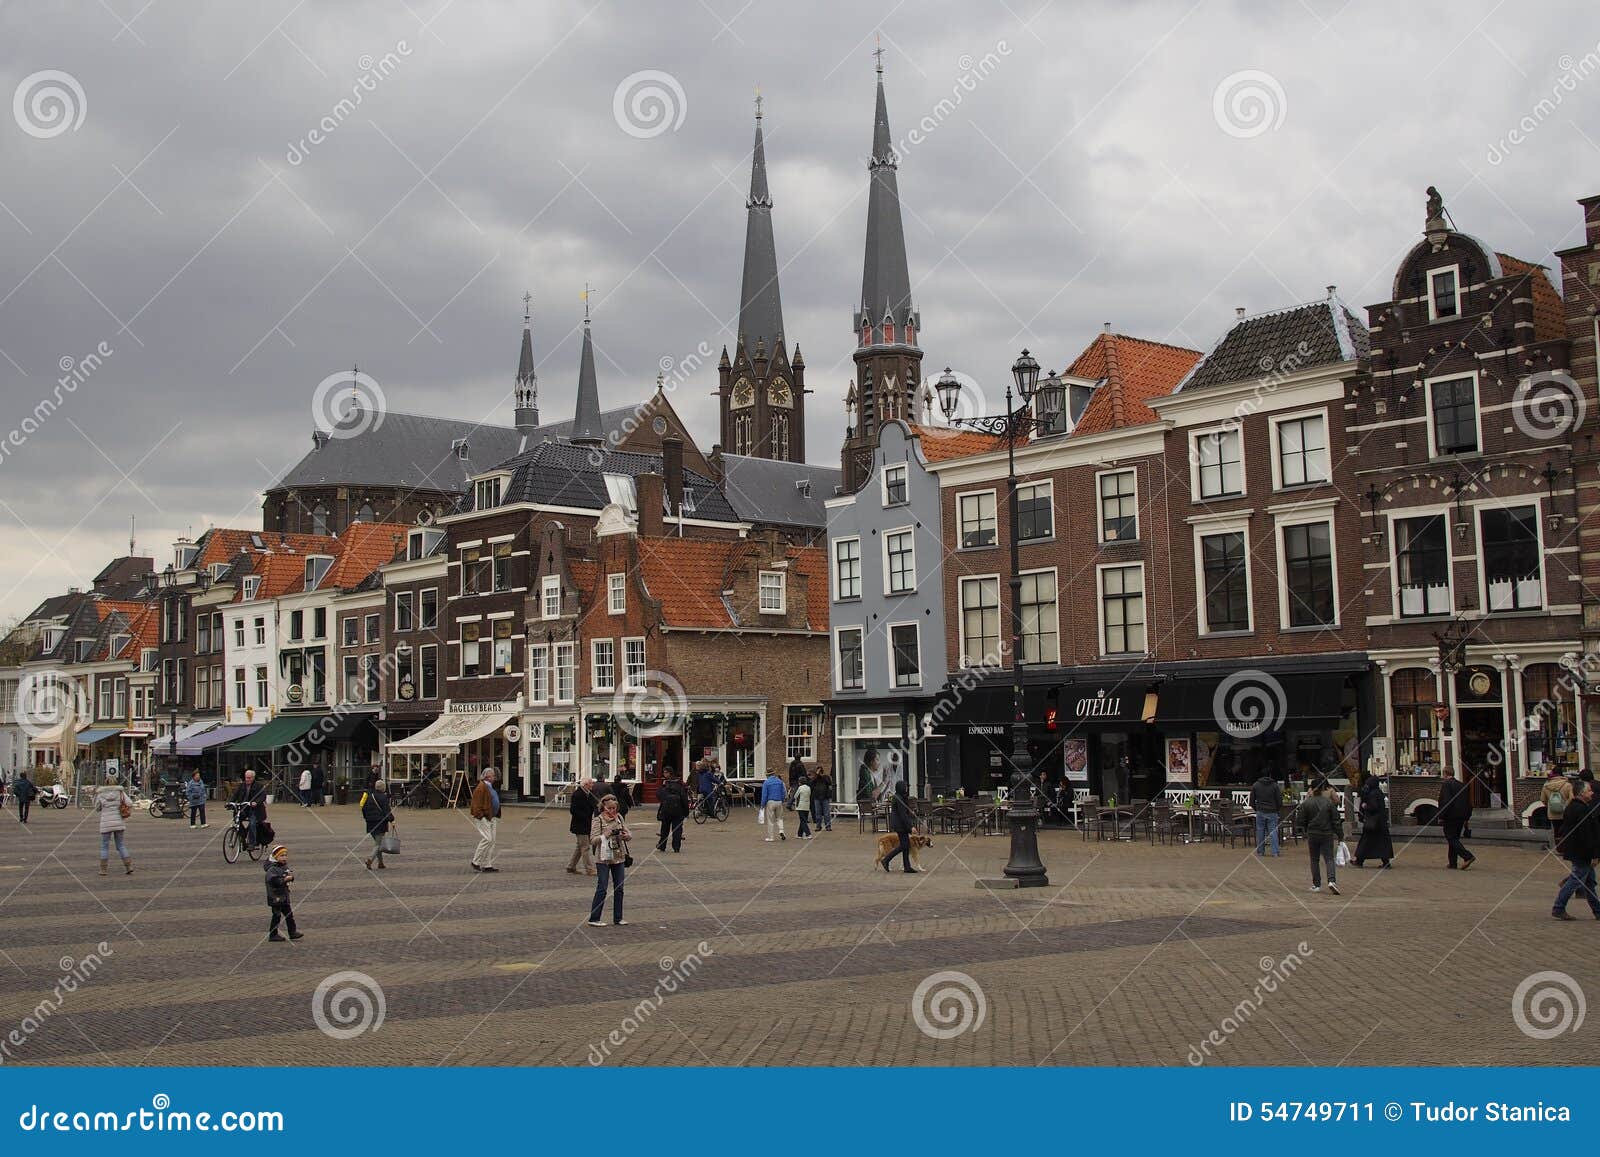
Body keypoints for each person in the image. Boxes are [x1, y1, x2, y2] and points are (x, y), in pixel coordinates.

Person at [1552, 779, 1600, 921]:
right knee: (1576, 880)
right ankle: (1558, 907)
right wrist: (1593, 854)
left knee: (1589, 882)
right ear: (1581, 793)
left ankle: (1597, 910)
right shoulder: (1581, 809)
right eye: (1589, 791)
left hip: (1577, 850)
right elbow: (1586, 835)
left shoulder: (1574, 807)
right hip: (1581, 852)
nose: (1592, 793)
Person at [1292, 780, 1341, 895]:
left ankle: (1316, 884)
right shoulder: (1328, 802)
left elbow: (1300, 820)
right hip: (1327, 832)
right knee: (1329, 858)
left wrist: (1304, 829)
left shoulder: (1307, 803)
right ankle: (1331, 880)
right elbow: (1336, 819)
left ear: (1312, 789)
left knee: (1314, 859)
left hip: (1313, 833)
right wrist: (1340, 835)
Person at [588, 794, 630, 927]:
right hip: (603, 858)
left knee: (619, 888)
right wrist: (604, 835)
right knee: (602, 888)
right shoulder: (597, 820)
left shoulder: (619, 818)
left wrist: (626, 836)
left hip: (618, 857)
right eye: (610, 808)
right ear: (604, 808)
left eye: (615, 808)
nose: (613, 811)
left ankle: (618, 918)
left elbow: (628, 833)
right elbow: (593, 840)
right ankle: (594, 918)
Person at [94, 771, 134, 877]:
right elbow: (130, 803)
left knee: (104, 846)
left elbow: (97, 808)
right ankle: (128, 866)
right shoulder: (120, 792)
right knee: (120, 845)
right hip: (119, 822)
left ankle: (103, 869)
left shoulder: (101, 793)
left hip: (105, 823)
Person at [1352, 774, 1394, 869]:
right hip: (1380, 822)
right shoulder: (1379, 792)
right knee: (1381, 843)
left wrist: (1365, 806)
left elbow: (1373, 806)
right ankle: (1385, 862)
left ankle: (1359, 860)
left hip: (1373, 823)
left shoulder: (1372, 794)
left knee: (1366, 841)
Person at [1437, 767, 1475, 870]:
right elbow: (1468, 803)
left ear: (1445, 774)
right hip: (1461, 817)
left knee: (1451, 838)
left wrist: (1441, 815)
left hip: (1450, 816)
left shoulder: (1446, 785)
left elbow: (1445, 802)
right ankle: (1452, 862)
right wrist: (1467, 817)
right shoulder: (1462, 785)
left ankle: (1468, 856)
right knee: (1454, 838)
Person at [264, 844, 302, 941]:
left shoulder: (283, 866)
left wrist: (291, 877)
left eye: (285, 855)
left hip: (284, 896)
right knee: (276, 916)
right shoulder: (272, 869)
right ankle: (273, 935)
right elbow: (274, 881)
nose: (284, 857)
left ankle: (292, 932)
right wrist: (284, 879)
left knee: (289, 915)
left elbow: (287, 876)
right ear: (276, 857)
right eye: (282, 855)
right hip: (276, 897)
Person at [469, 767, 501, 873]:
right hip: (484, 817)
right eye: (493, 775)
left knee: (492, 841)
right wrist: (481, 816)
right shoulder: (481, 788)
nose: (494, 777)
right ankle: (475, 861)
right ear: (488, 777)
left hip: (492, 817)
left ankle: (488, 864)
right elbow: (476, 804)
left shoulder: (489, 787)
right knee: (487, 839)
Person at [360, 778, 394, 870]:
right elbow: (387, 811)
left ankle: (381, 863)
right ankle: (370, 860)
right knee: (378, 844)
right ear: (383, 788)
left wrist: (366, 818)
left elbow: (363, 808)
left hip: (370, 823)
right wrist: (392, 820)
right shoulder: (383, 797)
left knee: (378, 842)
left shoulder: (369, 796)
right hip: (380, 823)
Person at [885, 780, 919, 873]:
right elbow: (902, 815)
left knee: (906, 845)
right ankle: (886, 860)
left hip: (901, 824)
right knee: (904, 845)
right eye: (905, 787)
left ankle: (907, 866)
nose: (907, 788)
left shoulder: (900, 797)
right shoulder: (899, 798)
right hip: (900, 825)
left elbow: (904, 812)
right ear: (901, 788)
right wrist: (911, 827)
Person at [567, 777, 598, 875]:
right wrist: (585, 816)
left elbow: (592, 805)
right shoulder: (577, 794)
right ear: (585, 785)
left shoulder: (588, 794)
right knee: (585, 847)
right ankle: (589, 869)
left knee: (579, 847)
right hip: (580, 825)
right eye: (591, 784)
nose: (592, 785)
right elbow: (573, 810)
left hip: (586, 824)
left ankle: (571, 866)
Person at [232, 769, 269, 850]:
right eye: (246, 778)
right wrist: (230, 803)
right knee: (236, 819)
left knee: (252, 823)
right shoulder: (242, 785)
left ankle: (252, 843)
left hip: (254, 810)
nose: (247, 779)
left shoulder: (258, 786)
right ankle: (243, 834)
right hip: (243, 809)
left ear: (253, 778)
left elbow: (263, 796)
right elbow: (235, 795)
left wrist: (256, 802)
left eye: (249, 778)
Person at [1249, 770, 1282, 857]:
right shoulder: (1275, 785)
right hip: (1272, 811)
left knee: (1260, 832)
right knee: (1273, 831)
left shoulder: (1256, 785)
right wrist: (1277, 809)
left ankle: (1260, 851)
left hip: (1260, 811)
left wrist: (1257, 809)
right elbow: (1279, 801)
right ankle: (1275, 852)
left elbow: (1251, 801)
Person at [655, 772, 688, 852]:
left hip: (666, 811)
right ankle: (676, 847)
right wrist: (686, 812)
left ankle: (662, 846)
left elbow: (659, 795)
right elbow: (684, 800)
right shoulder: (680, 787)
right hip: (678, 811)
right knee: (677, 829)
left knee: (665, 829)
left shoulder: (665, 786)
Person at [1541, 769, 1573, 848]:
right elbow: (1572, 798)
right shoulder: (1567, 785)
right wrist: (1566, 805)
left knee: (1556, 830)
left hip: (1553, 813)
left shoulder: (1546, 785)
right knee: (1566, 829)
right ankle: (1566, 847)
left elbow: (1543, 799)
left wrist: (1550, 806)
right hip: (1565, 812)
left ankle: (1559, 847)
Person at [760, 767, 787, 841]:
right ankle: (781, 831)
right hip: (779, 801)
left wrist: (762, 804)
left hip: (770, 802)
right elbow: (784, 792)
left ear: (767, 775)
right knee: (779, 818)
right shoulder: (780, 781)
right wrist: (782, 799)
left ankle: (771, 837)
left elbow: (764, 795)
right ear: (774, 773)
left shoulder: (766, 782)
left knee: (770, 820)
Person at [812, 766, 833, 832]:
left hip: (825, 798)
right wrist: (817, 775)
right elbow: (812, 783)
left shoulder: (826, 777)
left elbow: (829, 782)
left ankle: (828, 826)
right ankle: (818, 826)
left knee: (826, 813)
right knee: (818, 813)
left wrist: (821, 775)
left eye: (820, 771)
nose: (819, 772)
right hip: (817, 798)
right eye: (818, 771)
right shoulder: (815, 778)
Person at [793, 773, 813, 839]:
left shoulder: (800, 788)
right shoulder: (808, 788)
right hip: (807, 806)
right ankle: (799, 834)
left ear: (800, 782)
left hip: (800, 806)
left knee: (803, 821)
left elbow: (795, 796)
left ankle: (808, 834)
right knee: (803, 820)